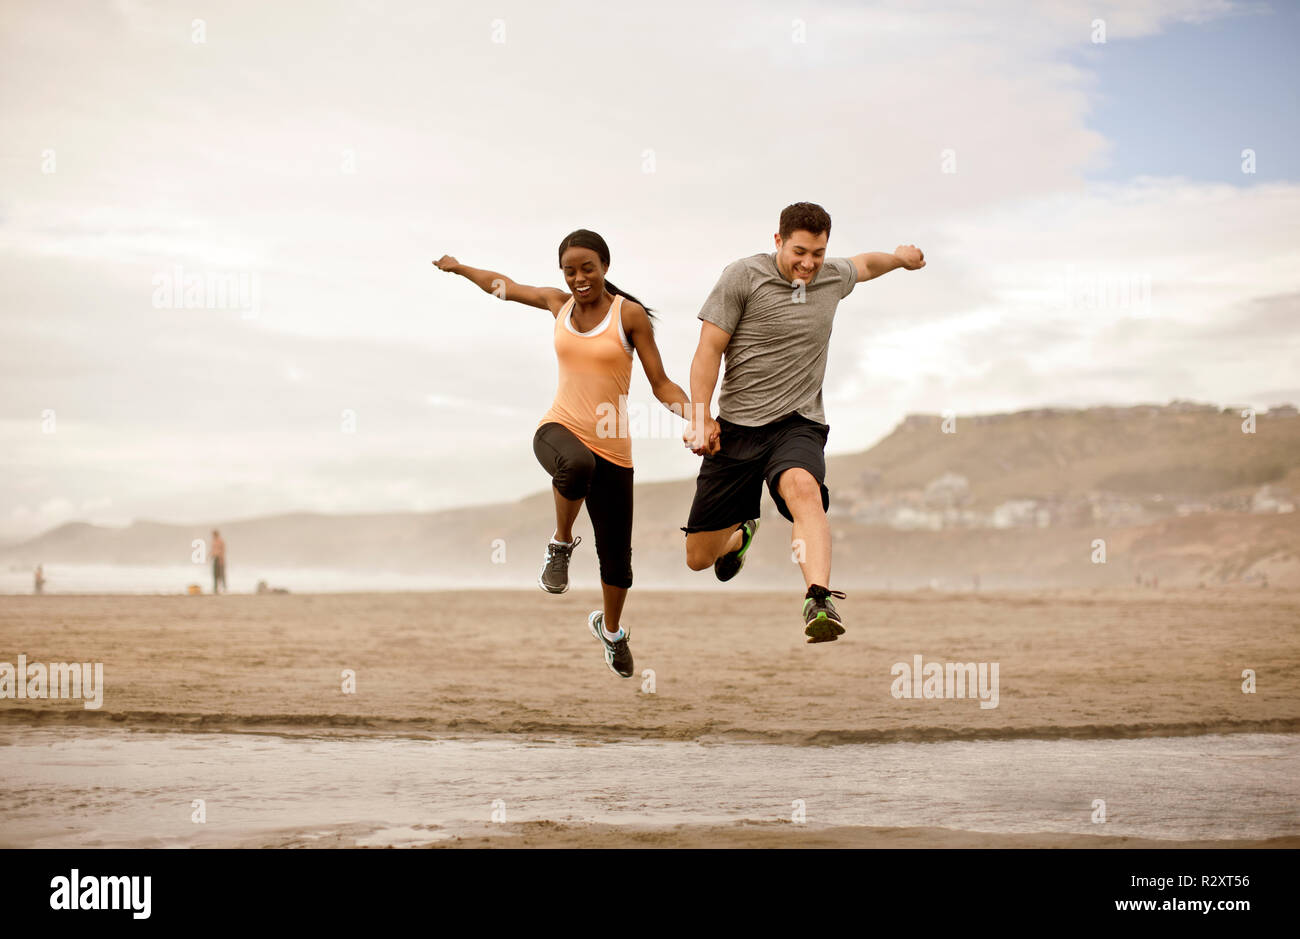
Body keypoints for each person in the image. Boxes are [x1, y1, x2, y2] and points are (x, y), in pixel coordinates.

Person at [435, 230, 693, 677]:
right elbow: (505, 286)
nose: (579, 278)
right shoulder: (559, 304)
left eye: (587, 268)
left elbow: (661, 383)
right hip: (558, 429)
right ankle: (560, 545)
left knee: (618, 563)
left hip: (614, 449)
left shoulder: (627, 316)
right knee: (576, 465)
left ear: (605, 267)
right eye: (570, 270)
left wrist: (699, 416)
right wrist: (460, 269)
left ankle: (610, 632)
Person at [681, 202, 926, 642]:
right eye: (799, 251)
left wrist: (901, 259)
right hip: (736, 428)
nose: (809, 263)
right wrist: (700, 417)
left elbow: (866, 264)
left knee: (802, 487)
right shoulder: (743, 276)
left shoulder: (831, 278)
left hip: (798, 422)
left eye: (818, 252)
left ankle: (818, 598)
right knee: (699, 558)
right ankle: (741, 534)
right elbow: (708, 350)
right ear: (778, 241)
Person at [211, 529, 227, 594]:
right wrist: (209, 556)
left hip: (220, 558)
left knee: (221, 574)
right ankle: (215, 588)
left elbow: (223, 550)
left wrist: (221, 559)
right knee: (215, 574)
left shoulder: (220, 541)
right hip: (215, 558)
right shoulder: (213, 541)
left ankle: (224, 588)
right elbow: (213, 550)